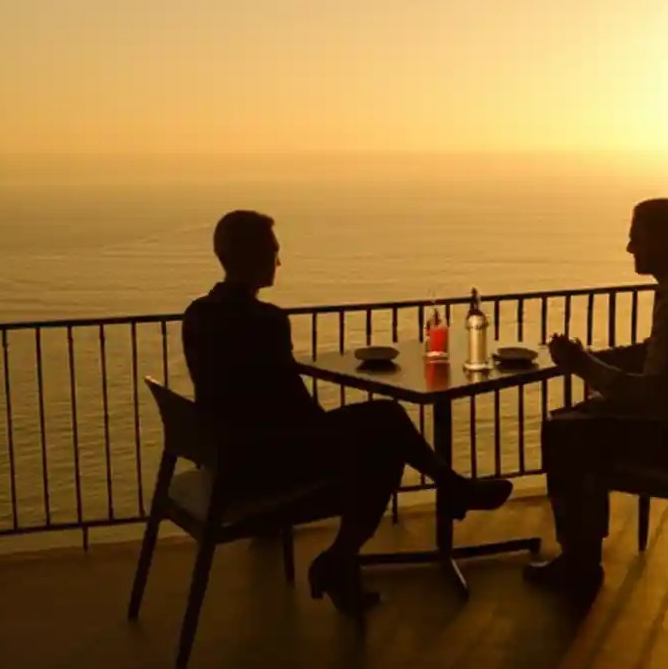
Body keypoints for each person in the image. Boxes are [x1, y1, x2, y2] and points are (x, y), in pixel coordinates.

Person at [182, 210, 512, 614]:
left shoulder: (197, 315)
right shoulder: (264, 322)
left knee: (380, 432)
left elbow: (266, 400)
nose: (278, 261)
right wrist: (337, 432)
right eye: (273, 252)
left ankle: (362, 548)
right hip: (264, 465)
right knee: (383, 432)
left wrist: (334, 429)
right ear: (251, 256)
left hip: (230, 459)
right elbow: (296, 407)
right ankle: (349, 553)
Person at [524, 198, 668, 593]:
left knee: (564, 432)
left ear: (660, 240)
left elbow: (651, 397)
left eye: (635, 238)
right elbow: (653, 353)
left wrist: (585, 367)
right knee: (578, 420)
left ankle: (580, 562)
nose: (629, 248)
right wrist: (589, 358)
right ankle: (582, 554)